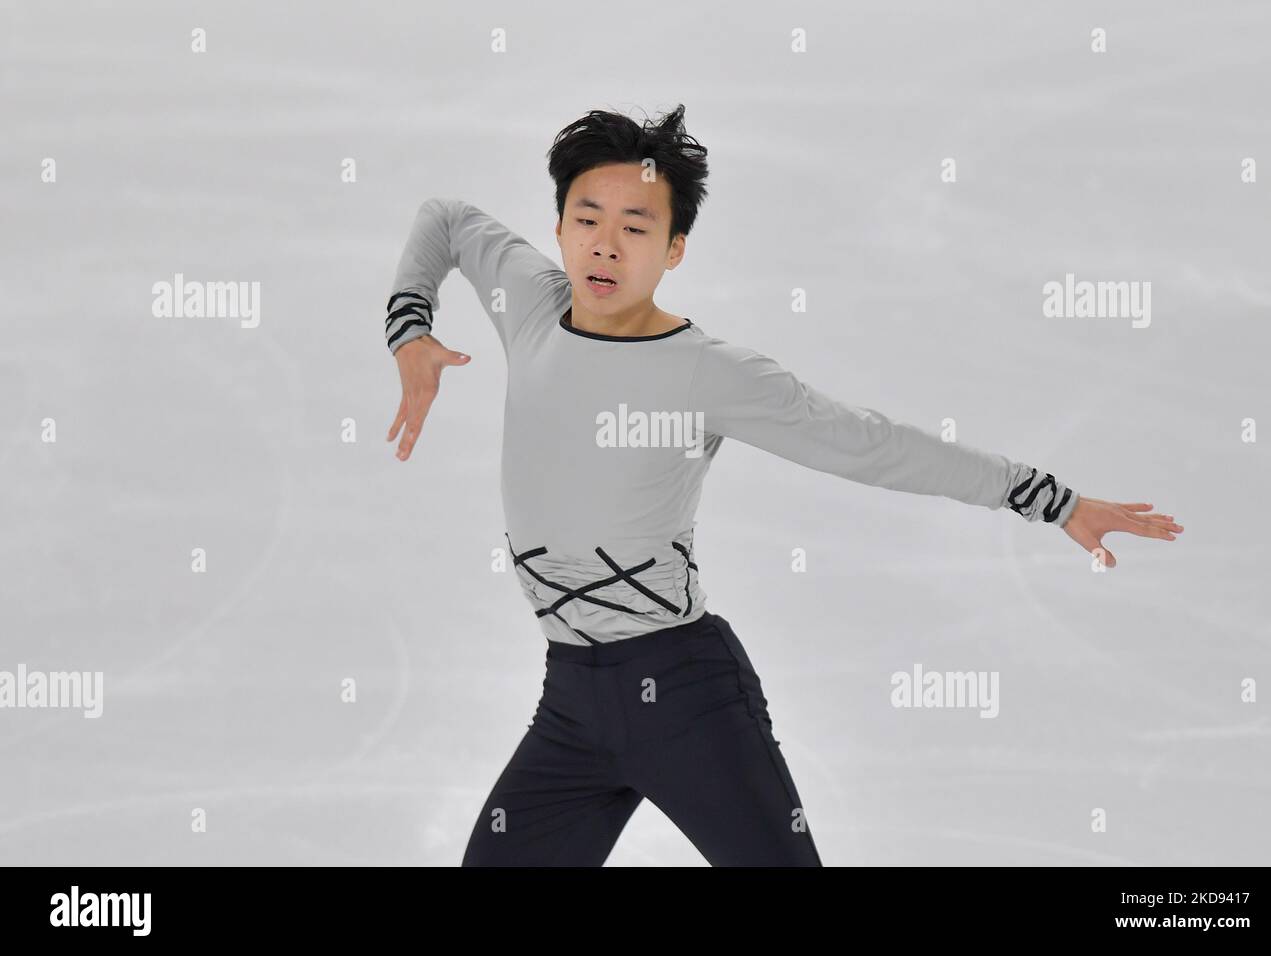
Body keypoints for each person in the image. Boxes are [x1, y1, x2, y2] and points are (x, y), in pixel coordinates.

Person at [381, 105, 1183, 866]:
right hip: (570, 707)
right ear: (558, 226)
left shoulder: (708, 374)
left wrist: (1050, 498)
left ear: (675, 249)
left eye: (636, 228)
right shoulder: (529, 303)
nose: (605, 246)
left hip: (688, 705)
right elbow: (445, 219)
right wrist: (409, 330)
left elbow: (873, 447)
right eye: (587, 220)